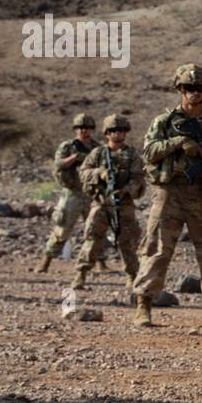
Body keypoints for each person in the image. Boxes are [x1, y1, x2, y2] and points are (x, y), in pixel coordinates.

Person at [132, 64, 202, 328]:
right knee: (157, 249)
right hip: (170, 194)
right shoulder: (165, 122)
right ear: (180, 89)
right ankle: (143, 305)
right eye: (190, 88)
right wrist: (178, 143)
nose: (195, 93)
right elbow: (149, 153)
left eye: (200, 88)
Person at [71, 114, 145, 291]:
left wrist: (125, 190)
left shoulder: (132, 155)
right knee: (92, 239)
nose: (117, 134)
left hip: (123, 204)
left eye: (121, 131)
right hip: (101, 202)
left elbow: (139, 178)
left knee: (127, 242)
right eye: (113, 130)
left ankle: (132, 276)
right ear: (106, 133)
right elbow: (83, 173)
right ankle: (81, 274)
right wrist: (99, 173)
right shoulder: (98, 154)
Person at [36, 114, 99, 273]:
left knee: (96, 230)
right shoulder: (67, 146)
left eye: (88, 128)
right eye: (80, 128)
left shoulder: (97, 148)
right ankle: (46, 261)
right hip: (73, 192)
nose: (84, 131)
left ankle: (99, 263)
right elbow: (58, 164)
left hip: (91, 193)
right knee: (62, 229)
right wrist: (75, 158)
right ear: (75, 129)